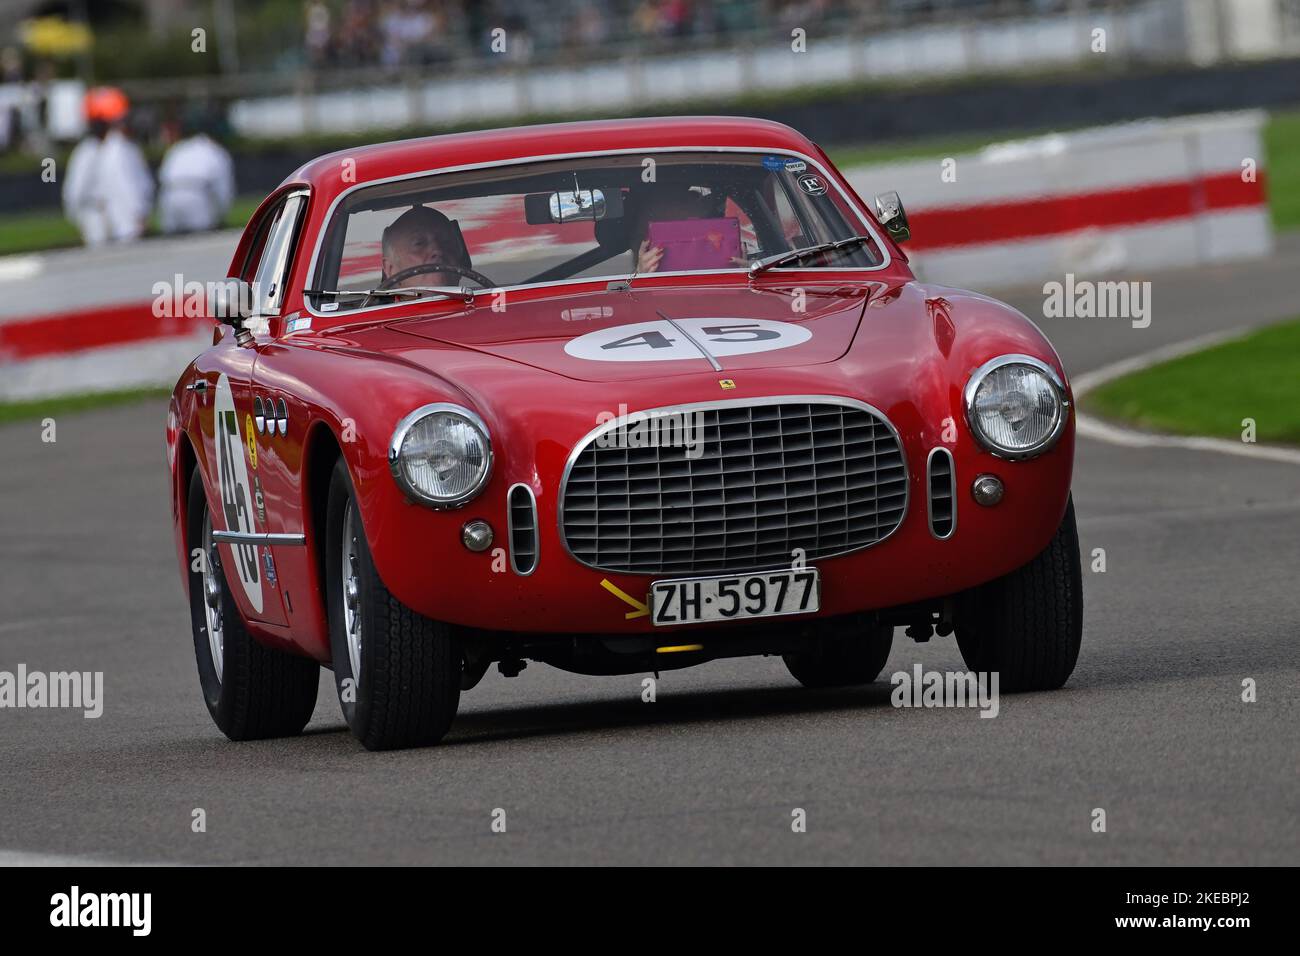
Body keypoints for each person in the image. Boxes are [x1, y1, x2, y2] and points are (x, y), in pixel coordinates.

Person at [62, 87, 154, 246]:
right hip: (97, 214)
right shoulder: (89, 151)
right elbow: (75, 190)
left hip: (118, 213)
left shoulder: (120, 147)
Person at [157, 109, 236, 234]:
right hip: (197, 196)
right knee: (200, 239)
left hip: (170, 195)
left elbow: (162, 176)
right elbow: (223, 188)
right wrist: (221, 214)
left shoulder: (178, 148)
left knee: (171, 241)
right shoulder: (216, 151)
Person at [380, 205, 472, 287]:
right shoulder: (374, 307)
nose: (437, 250)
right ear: (391, 269)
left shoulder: (484, 298)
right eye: (419, 243)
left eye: (445, 241)